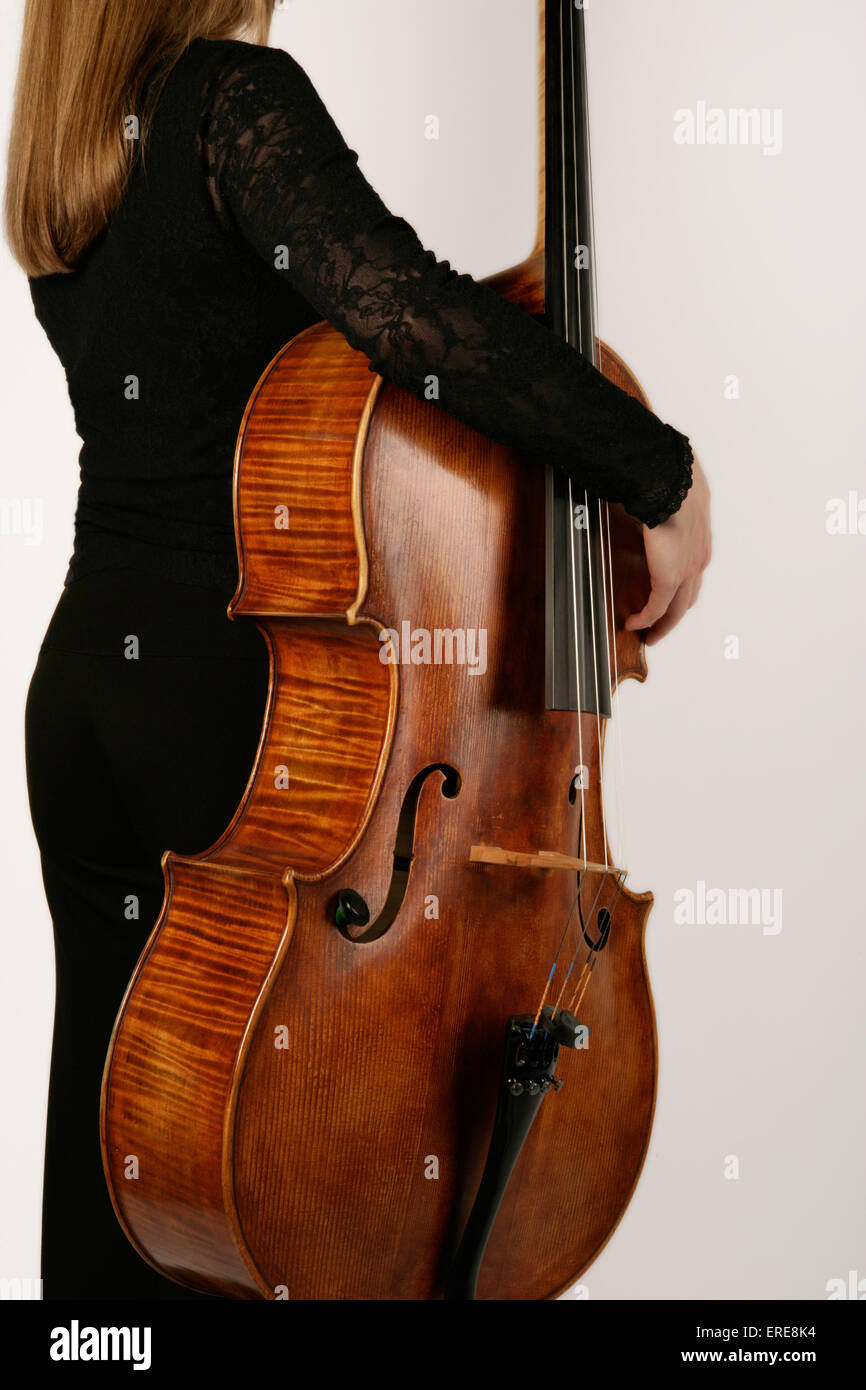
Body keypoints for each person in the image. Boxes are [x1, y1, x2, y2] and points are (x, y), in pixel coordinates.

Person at [4, 0, 711, 1300]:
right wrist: (658, 474)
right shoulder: (229, 98)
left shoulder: (65, 149)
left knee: (127, 1153)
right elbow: (409, 319)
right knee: (278, 1193)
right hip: (235, 708)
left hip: (90, 702)